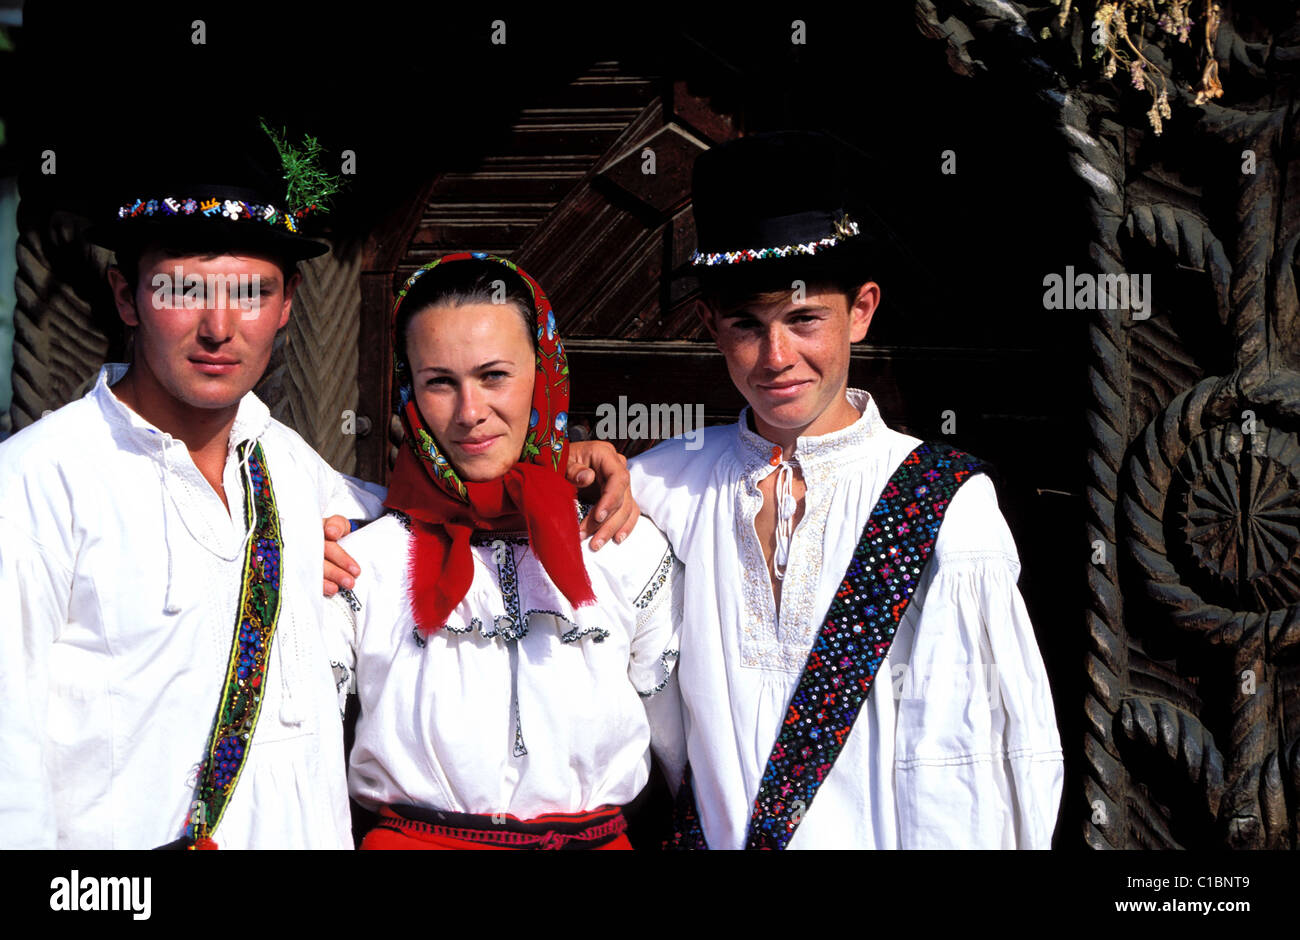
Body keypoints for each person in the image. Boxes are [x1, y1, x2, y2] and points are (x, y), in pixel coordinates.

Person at [0, 128, 638, 850]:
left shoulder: (293, 473)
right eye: (183, 289)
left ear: (287, 303)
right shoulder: (35, 485)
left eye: (250, 292)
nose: (218, 327)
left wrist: (567, 467)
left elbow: (443, 500)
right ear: (126, 295)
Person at [626, 131, 1065, 849]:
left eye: (804, 319)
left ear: (861, 310)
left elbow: (969, 760)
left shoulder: (943, 505)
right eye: (746, 324)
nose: (776, 357)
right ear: (710, 325)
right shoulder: (660, 486)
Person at [324, 252, 684, 850]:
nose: (470, 414)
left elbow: (684, 747)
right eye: (440, 382)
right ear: (410, 391)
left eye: (494, 376)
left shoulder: (622, 544)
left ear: (543, 375)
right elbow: (297, 745)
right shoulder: (361, 563)